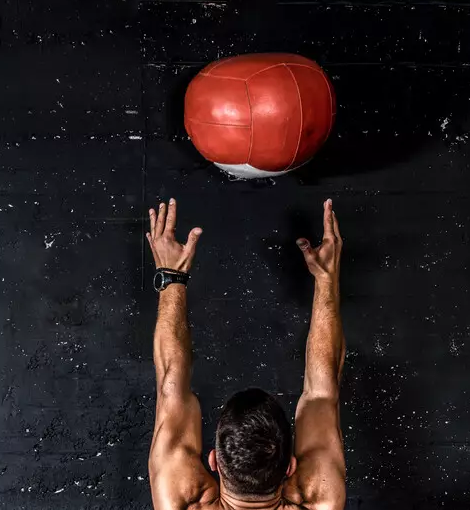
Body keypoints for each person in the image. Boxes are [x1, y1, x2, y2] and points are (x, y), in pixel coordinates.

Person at [145, 198, 347, 510]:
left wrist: (171, 275)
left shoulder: (181, 501)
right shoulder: (319, 501)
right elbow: (323, 392)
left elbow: (171, 385)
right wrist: (326, 278)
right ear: (290, 466)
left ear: (214, 460)